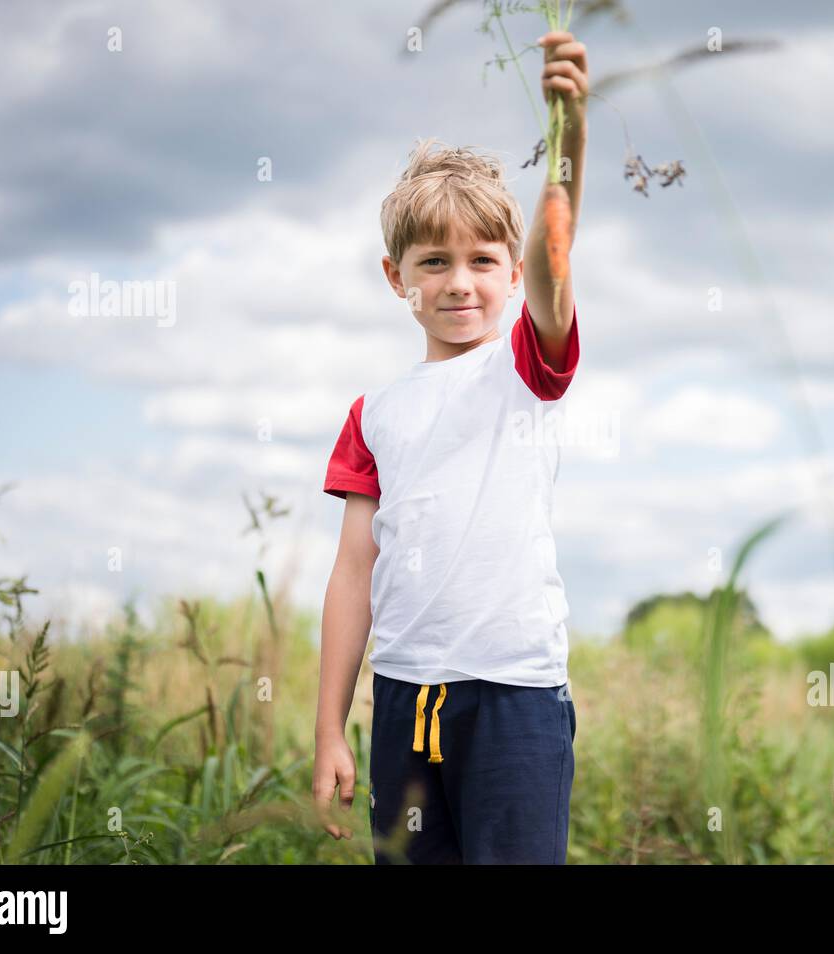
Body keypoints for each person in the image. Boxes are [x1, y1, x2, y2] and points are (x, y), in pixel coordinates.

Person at [312, 30, 589, 864]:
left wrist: (569, 137)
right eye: (433, 261)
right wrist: (329, 726)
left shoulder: (523, 369)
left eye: (482, 260)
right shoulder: (375, 413)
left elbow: (554, 255)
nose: (459, 281)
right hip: (403, 701)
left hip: (515, 699)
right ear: (396, 276)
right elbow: (354, 570)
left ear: (511, 275)